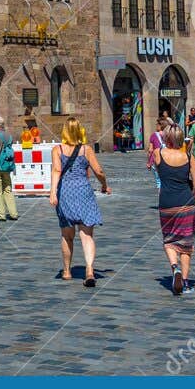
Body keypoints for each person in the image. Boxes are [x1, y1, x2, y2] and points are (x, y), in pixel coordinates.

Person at [51, 118, 108, 286]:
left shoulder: (57, 149)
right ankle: (89, 270)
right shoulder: (86, 149)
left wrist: (53, 192)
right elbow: (98, 170)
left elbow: (56, 170)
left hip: (65, 193)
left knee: (67, 235)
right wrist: (104, 185)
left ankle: (67, 271)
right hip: (83, 191)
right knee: (87, 234)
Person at [154, 125, 195, 296]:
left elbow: (157, 168)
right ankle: (186, 282)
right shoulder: (189, 157)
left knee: (169, 239)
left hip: (166, 202)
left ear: (166, 138)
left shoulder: (158, 153)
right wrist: (193, 195)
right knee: (186, 244)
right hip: (185, 202)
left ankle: (175, 268)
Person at [0, 115, 18, 222]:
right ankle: (13, 214)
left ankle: (1, 215)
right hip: (6, 165)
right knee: (8, 190)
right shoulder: (9, 136)